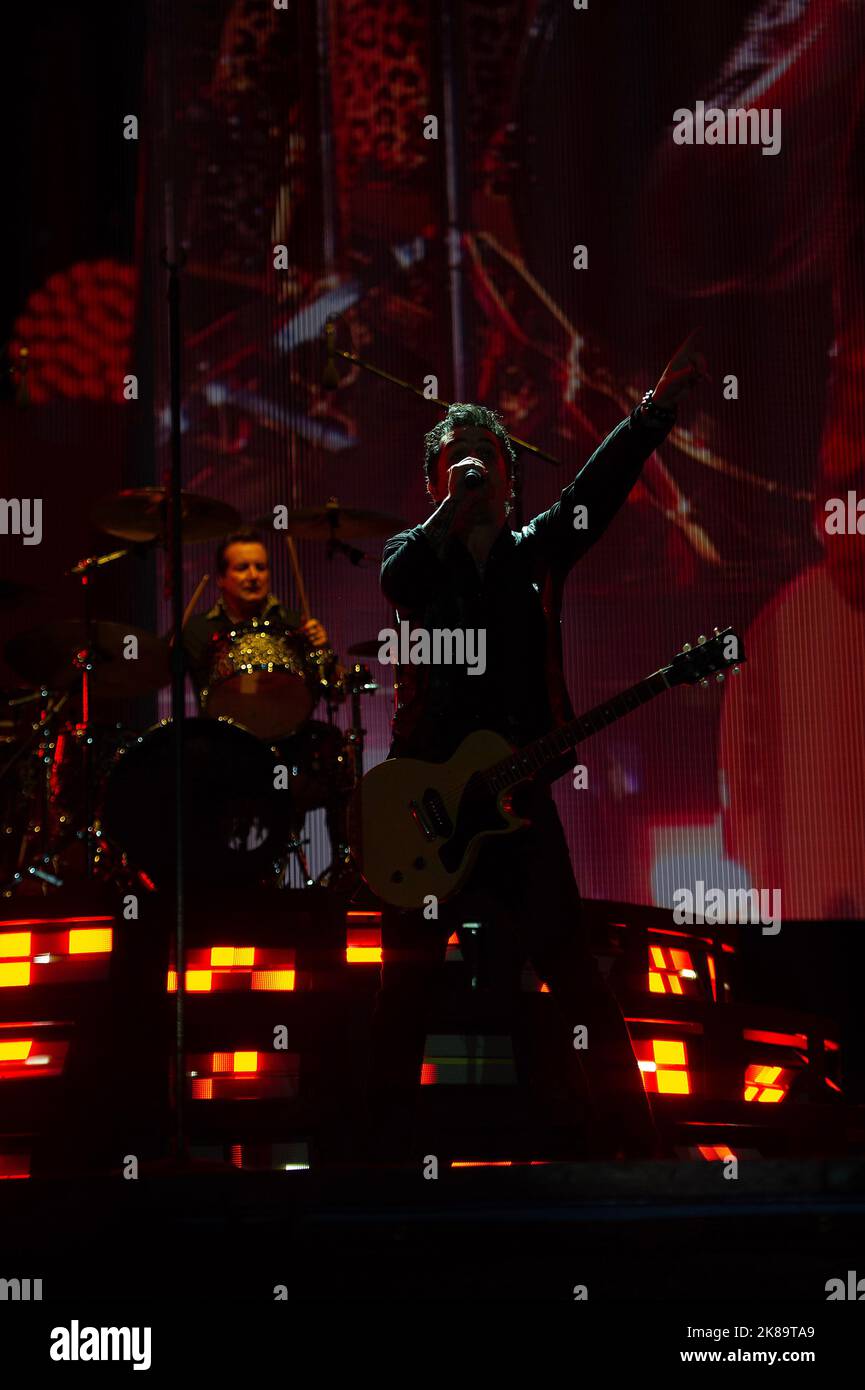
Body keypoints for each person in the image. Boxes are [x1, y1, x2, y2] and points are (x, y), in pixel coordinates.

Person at [366, 334, 708, 1161]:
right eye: (457, 462)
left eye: (487, 459)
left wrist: (649, 417)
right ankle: (369, 1164)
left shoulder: (534, 554)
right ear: (432, 480)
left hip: (518, 807)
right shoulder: (417, 559)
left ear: (512, 479)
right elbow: (398, 582)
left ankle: (641, 1156)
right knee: (402, 989)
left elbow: (597, 489)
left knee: (574, 975)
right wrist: (452, 507)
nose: (474, 472)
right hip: (428, 810)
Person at [183, 528, 353, 882]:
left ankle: (345, 874)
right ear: (221, 579)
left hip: (288, 743)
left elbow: (334, 688)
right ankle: (206, 878)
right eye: (242, 568)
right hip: (224, 745)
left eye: (260, 567)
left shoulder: (294, 624)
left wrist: (323, 650)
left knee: (336, 748)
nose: (253, 576)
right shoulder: (198, 630)